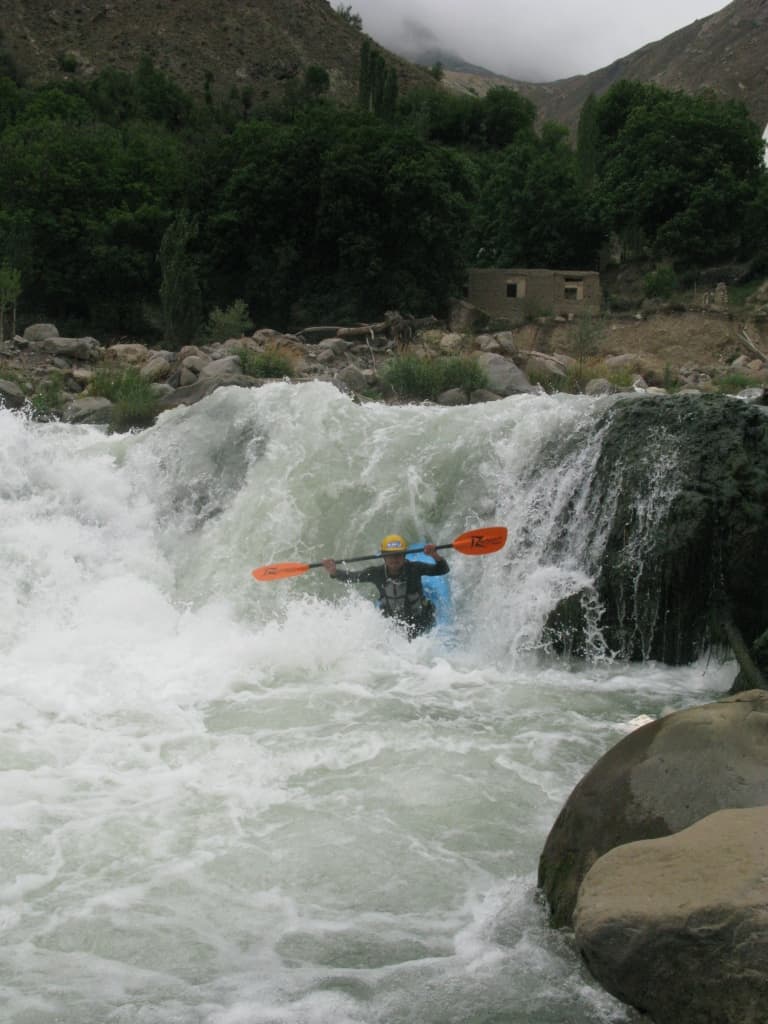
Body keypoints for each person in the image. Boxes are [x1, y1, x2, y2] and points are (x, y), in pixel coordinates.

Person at [322, 534, 449, 638]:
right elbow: (352, 577)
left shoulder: (415, 568)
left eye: (398, 555)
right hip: (393, 622)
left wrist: (434, 555)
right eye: (389, 555)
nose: (394, 559)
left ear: (404, 555)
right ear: (383, 556)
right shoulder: (376, 573)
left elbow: (442, 569)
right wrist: (334, 571)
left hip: (420, 620)